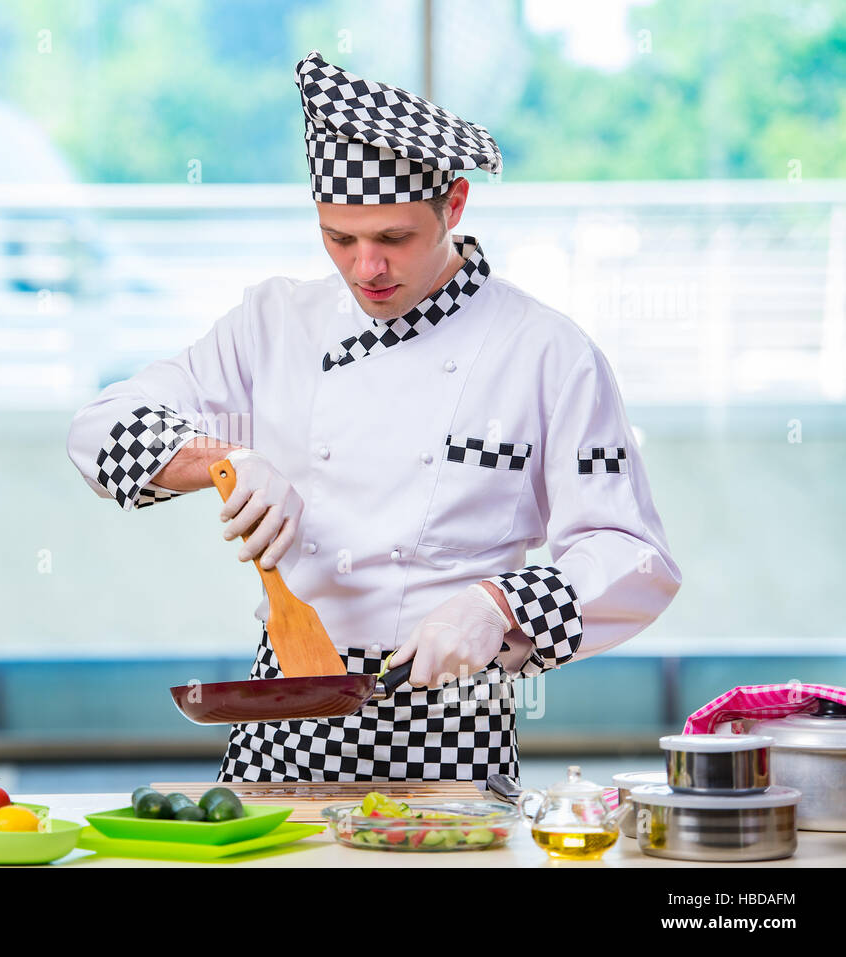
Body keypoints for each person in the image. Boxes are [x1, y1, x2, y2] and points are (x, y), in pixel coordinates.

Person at [66, 50, 682, 785]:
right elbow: (99, 427)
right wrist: (226, 460)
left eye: (393, 239)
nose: (366, 268)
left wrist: (498, 604)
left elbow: (634, 555)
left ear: (454, 206)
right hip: (285, 716)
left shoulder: (547, 352)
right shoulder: (273, 322)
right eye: (339, 238)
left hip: (455, 730)